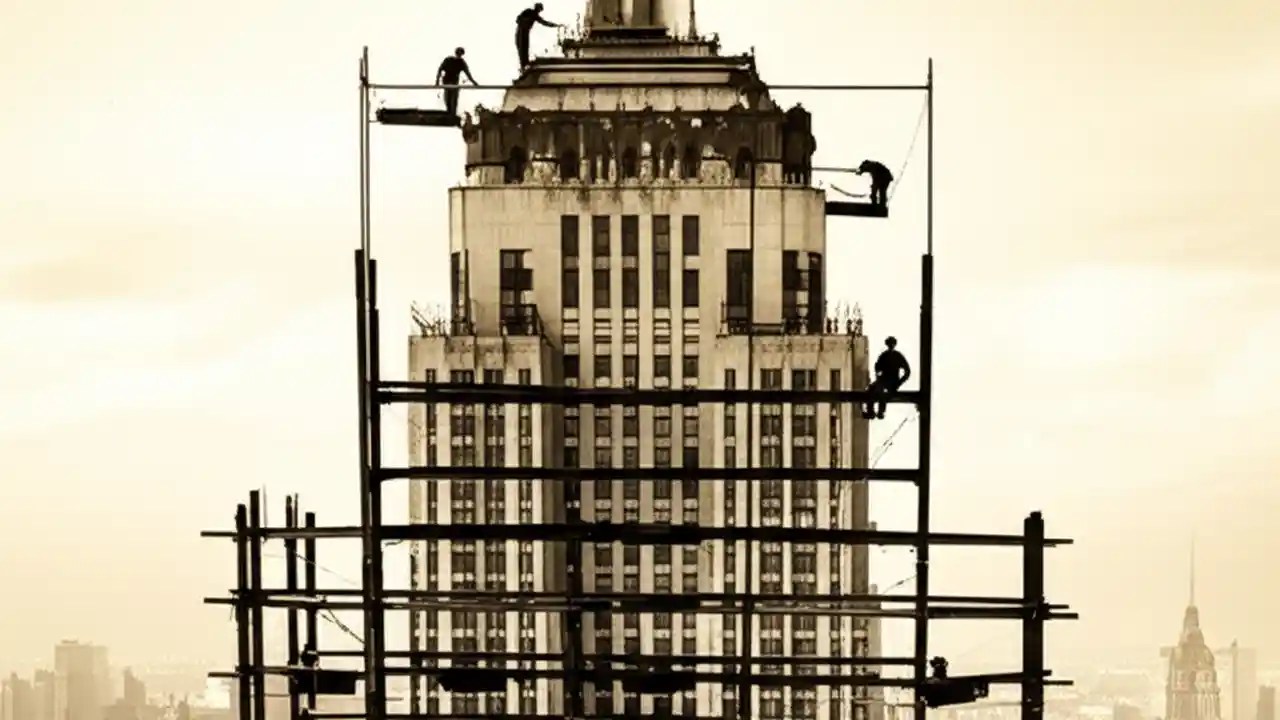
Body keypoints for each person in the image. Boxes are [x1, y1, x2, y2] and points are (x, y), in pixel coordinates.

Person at [863, 336, 911, 420]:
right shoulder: (885, 355)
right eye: (889, 344)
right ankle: (872, 412)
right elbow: (877, 368)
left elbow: (907, 371)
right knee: (872, 389)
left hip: (892, 382)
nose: (891, 345)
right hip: (885, 381)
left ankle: (879, 412)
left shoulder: (897, 356)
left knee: (879, 391)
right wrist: (879, 376)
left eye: (892, 344)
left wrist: (898, 383)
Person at [515, 3, 560, 71]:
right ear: (536, 8)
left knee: (525, 47)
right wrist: (525, 22)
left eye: (540, 10)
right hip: (521, 30)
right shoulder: (528, 11)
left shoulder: (535, 16)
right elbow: (518, 19)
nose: (539, 11)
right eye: (539, 9)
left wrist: (556, 25)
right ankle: (523, 64)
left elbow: (545, 23)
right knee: (521, 47)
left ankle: (524, 64)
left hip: (525, 32)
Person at [436, 47, 477, 117]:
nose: (459, 55)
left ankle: (452, 114)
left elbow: (468, 74)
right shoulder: (448, 60)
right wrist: (437, 81)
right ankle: (450, 113)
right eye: (459, 54)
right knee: (448, 100)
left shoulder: (461, 62)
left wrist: (474, 83)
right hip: (447, 82)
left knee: (453, 100)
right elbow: (440, 69)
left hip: (454, 83)